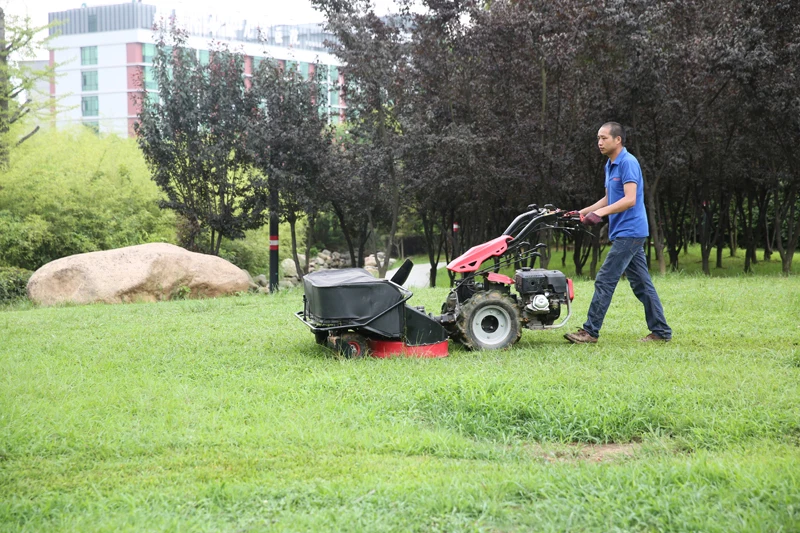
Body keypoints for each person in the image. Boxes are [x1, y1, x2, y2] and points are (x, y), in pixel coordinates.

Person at [564, 122, 672, 344]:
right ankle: (660, 331)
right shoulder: (610, 165)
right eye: (598, 138)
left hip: (631, 231)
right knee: (642, 284)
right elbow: (608, 198)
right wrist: (579, 212)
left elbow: (630, 199)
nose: (599, 143)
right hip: (623, 231)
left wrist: (601, 213)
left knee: (605, 279)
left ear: (618, 140)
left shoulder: (628, 163)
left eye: (604, 138)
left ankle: (590, 331)